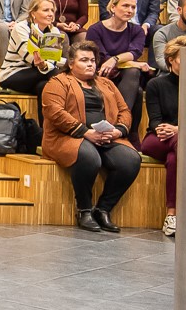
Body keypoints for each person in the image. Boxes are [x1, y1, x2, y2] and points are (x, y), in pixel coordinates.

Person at [42, 40, 141, 233]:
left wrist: (118, 131)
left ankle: (103, 210)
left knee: (131, 160)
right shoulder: (58, 82)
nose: (90, 64)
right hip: (68, 136)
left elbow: (124, 110)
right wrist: (86, 132)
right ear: (71, 64)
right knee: (89, 157)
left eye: (93, 60)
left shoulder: (106, 83)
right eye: (84, 60)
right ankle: (84, 210)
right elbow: (55, 112)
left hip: (107, 137)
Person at [85, 0, 153, 132]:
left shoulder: (137, 31)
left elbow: (135, 52)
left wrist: (115, 59)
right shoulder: (95, 30)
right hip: (102, 75)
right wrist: (132, 63)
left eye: (133, 7)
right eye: (125, 6)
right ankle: (128, 131)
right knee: (138, 91)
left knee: (133, 72)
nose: (130, 10)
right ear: (113, 7)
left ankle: (120, 121)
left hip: (125, 77)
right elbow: (101, 58)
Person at [143, 36, 186, 238]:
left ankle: (172, 214)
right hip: (159, 137)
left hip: (184, 137)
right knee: (180, 144)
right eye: (183, 58)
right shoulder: (156, 84)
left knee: (174, 159)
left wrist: (179, 129)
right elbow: (155, 121)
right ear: (171, 60)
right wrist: (170, 130)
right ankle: (185, 213)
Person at [0, 0, 69, 97]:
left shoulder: (54, 31)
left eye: (52, 10)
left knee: (44, 86)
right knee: (56, 73)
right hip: (13, 74)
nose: (50, 14)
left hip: (41, 72)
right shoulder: (21, 28)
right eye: (46, 10)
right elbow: (31, 58)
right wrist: (66, 63)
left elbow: (52, 59)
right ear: (33, 13)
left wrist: (48, 64)